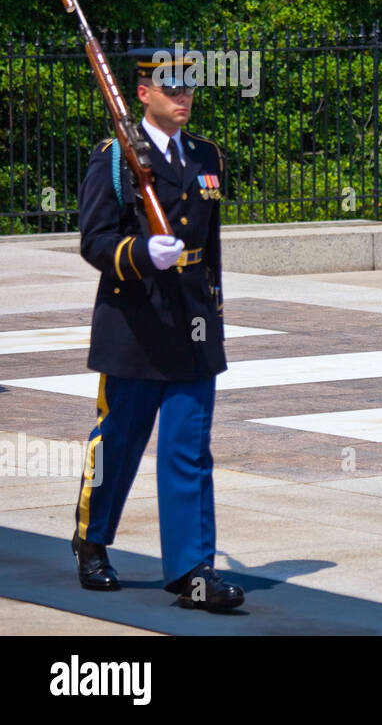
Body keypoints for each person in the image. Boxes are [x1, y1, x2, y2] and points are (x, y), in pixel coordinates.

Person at [71, 46, 244, 611]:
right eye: (171, 89)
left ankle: (194, 572)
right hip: (136, 322)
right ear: (143, 93)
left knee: (188, 449)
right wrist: (143, 252)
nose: (183, 97)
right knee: (118, 442)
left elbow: (210, 247)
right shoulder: (116, 159)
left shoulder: (206, 154)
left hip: (192, 322)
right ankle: (92, 541)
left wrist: (213, 314)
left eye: (188, 88)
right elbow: (95, 241)